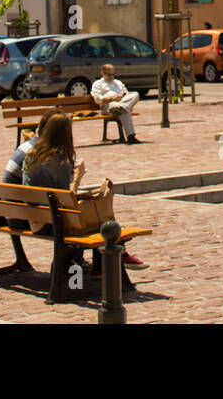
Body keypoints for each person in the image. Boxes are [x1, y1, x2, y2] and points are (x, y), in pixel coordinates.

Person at [23, 113, 146, 270]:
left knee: (96, 216)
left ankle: (106, 262)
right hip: (50, 222)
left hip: (34, 218)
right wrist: (77, 177)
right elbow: (66, 201)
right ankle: (113, 260)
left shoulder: (31, 155)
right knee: (102, 220)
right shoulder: (57, 160)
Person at [90, 63, 141, 144]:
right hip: (109, 106)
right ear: (102, 73)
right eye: (109, 75)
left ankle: (120, 107)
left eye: (113, 74)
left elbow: (126, 93)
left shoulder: (118, 82)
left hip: (121, 103)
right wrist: (112, 98)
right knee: (125, 111)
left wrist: (123, 97)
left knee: (136, 94)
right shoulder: (97, 84)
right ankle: (131, 137)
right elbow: (97, 98)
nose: (111, 77)